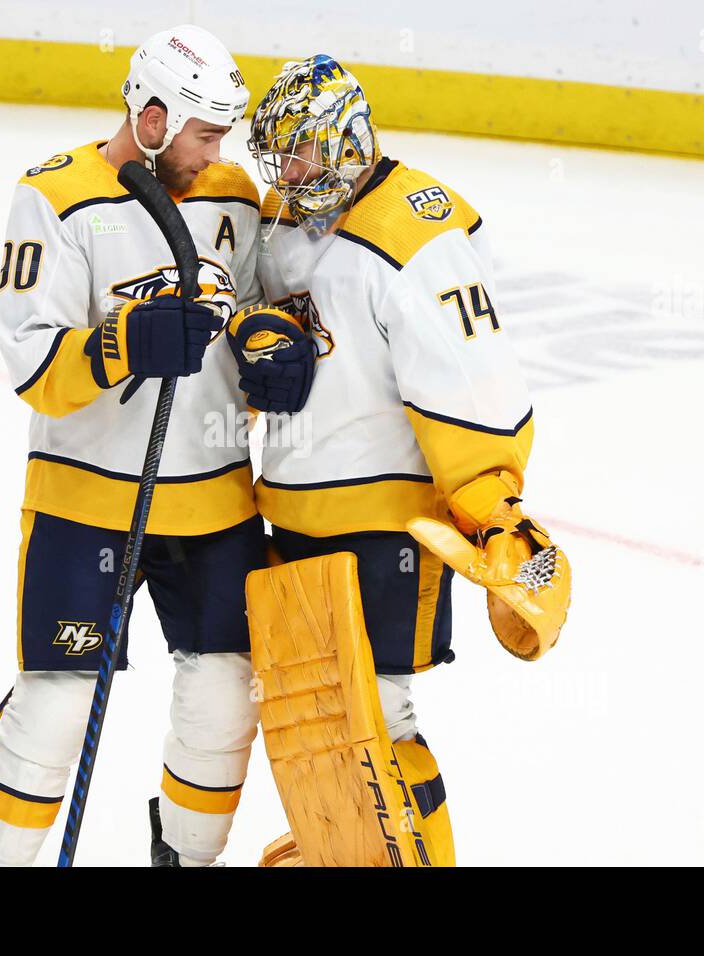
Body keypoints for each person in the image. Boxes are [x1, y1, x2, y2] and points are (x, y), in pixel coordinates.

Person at [231, 54, 571, 866]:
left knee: (381, 715)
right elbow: (257, 318)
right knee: (313, 721)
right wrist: (252, 335)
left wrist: (492, 510)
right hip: (295, 510)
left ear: (348, 141)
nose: (286, 171)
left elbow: (475, 383)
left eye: (303, 153)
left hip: (390, 527)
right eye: (276, 155)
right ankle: (345, 850)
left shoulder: (416, 238)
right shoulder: (285, 215)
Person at [0, 24, 265, 867]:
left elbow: (255, 313)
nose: (219, 150)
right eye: (207, 132)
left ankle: (184, 858)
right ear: (151, 117)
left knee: (223, 701)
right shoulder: (56, 197)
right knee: (57, 708)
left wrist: (269, 348)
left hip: (215, 498)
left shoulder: (234, 195)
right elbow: (32, 359)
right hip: (84, 498)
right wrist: (121, 344)